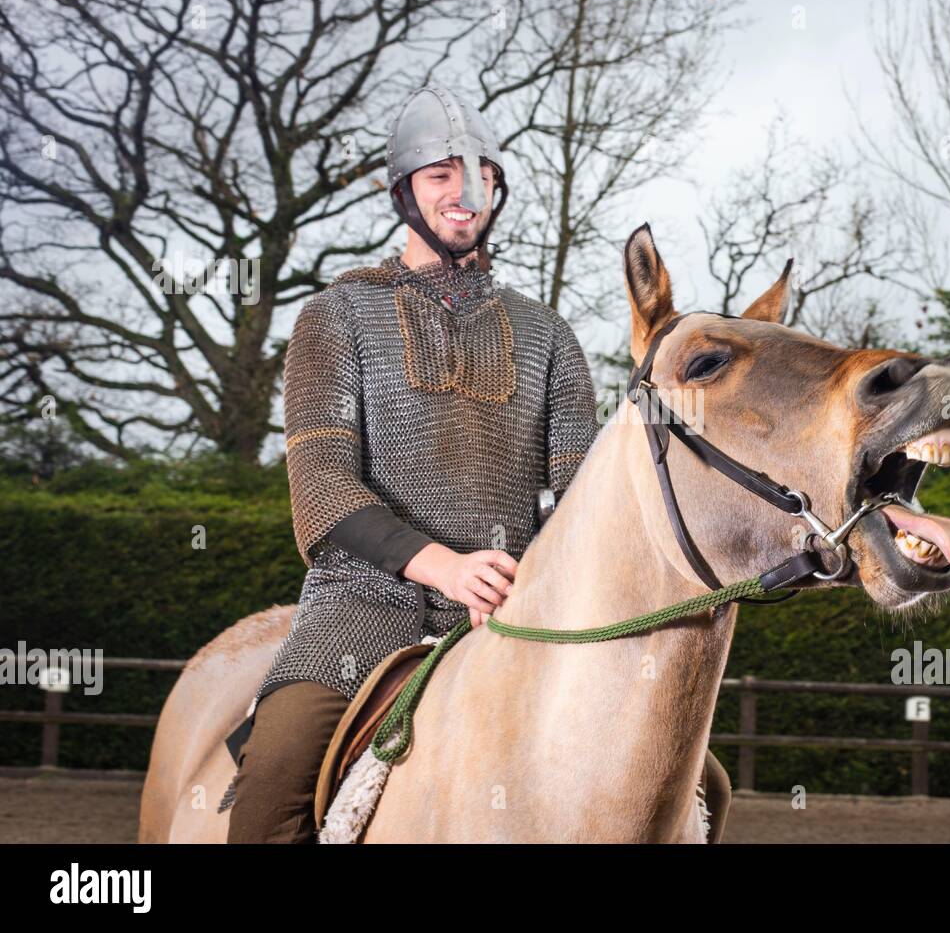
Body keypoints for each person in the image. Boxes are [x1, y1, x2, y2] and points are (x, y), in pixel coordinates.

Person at [223, 85, 731, 843]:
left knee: (704, 785)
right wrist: (443, 567)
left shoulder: (547, 335)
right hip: (362, 608)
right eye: (440, 176)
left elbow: (577, 496)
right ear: (403, 189)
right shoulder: (336, 315)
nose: (463, 194)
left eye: (480, 176)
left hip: (513, 615)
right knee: (274, 780)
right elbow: (323, 486)